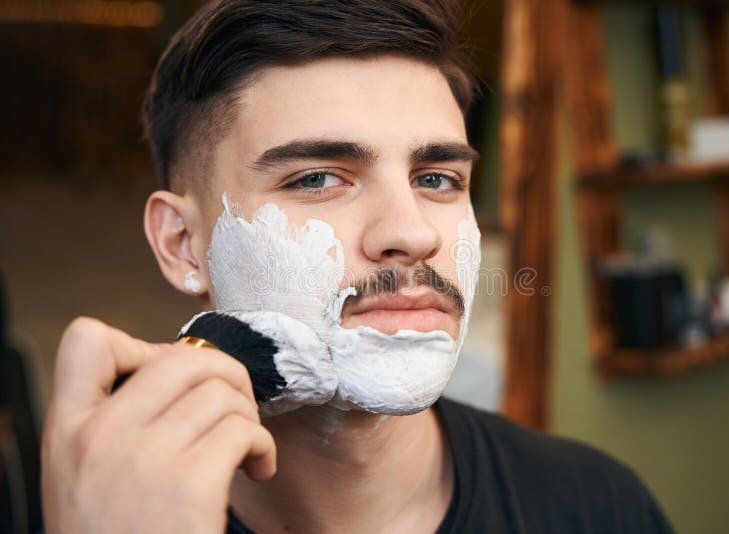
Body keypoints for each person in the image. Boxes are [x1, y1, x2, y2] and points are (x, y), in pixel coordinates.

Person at [41, 1, 674, 532]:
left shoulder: (598, 506)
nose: (412, 231)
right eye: (318, 178)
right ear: (182, 244)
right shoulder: (103, 511)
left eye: (436, 178)